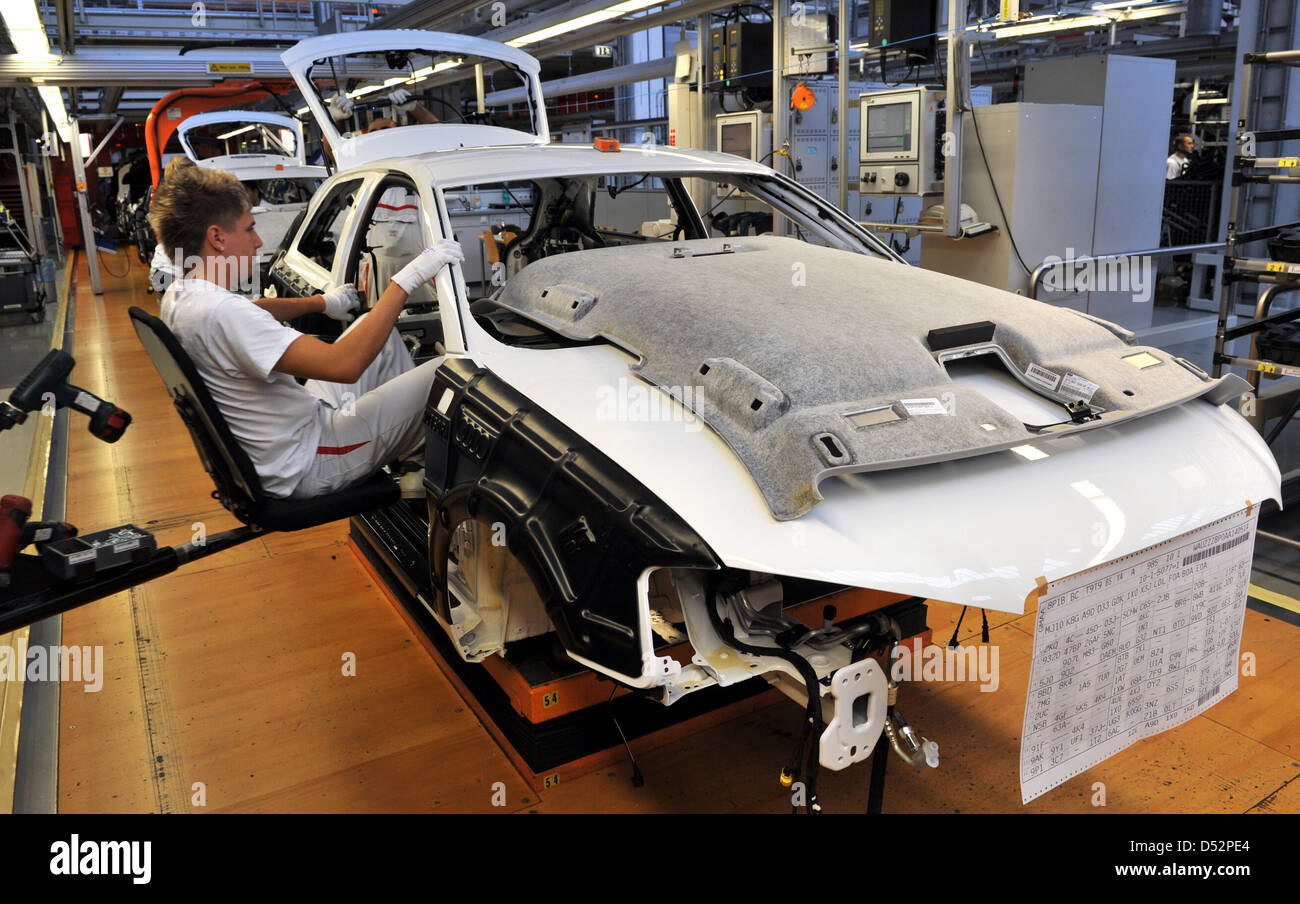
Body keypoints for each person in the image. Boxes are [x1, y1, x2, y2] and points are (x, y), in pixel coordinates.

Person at [147, 165, 464, 500]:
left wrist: (320, 303)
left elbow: (252, 311)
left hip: (295, 434)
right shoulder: (220, 312)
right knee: (447, 372)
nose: (257, 242)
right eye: (249, 229)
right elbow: (345, 365)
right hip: (313, 459)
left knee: (382, 339)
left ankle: (416, 461)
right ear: (217, 237)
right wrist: (406, 280)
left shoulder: (182, 295)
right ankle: (427, 472)